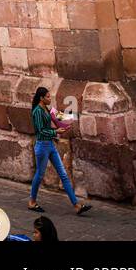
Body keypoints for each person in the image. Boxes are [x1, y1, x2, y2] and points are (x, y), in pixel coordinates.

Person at [29, 87, 91, 216]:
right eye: (47, 97)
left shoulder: (46, 109)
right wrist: (55, 131)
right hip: (42, 146)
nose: (49, 98)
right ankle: (32, 201)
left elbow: (58, 118)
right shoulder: (37, 111)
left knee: (63, 174)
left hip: (50, 145)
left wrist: (66, 121)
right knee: (40, 175)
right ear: (41, 98)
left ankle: (76, 205)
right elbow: (40, 131)